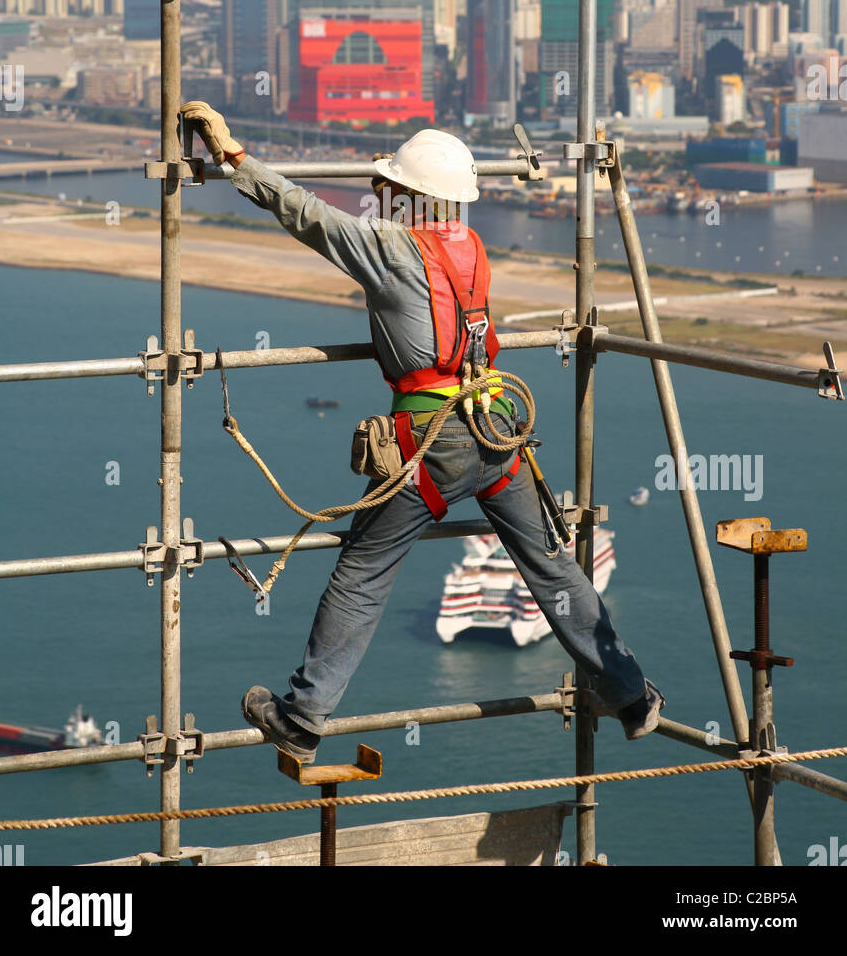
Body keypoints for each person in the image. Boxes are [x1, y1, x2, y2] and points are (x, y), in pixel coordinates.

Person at [180, 102, 664, 761]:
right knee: (551, 564)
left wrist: (230, 152)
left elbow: (303, 212)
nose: (380, 196)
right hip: (496, 429)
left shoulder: (388, 247)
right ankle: (632, 696)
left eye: (389, 188)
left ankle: (302, 717)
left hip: (434, 441)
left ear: (408, 194)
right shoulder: (471, 247)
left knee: (363, 571)